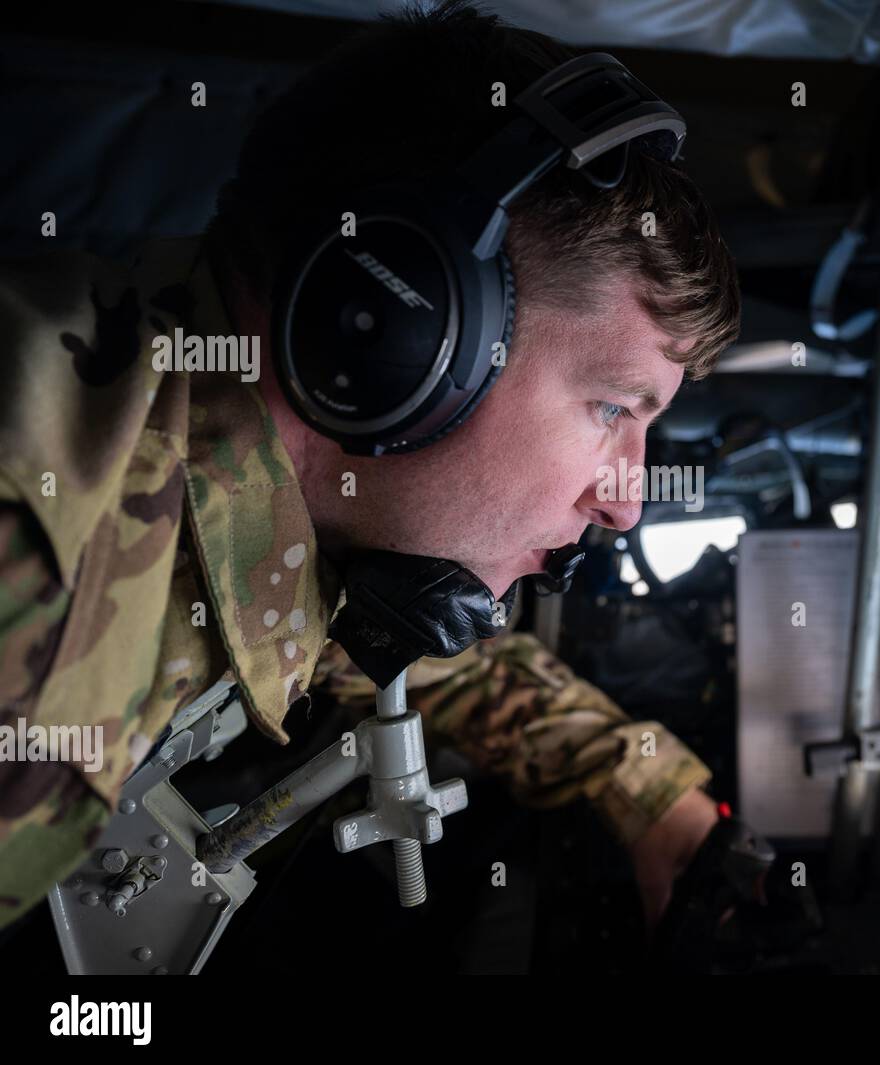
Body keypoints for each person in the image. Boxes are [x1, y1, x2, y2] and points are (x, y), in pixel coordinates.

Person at [0, 0, 740, 934]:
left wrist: (650, 792)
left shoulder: (276, 512)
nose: (625, 505)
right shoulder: (36, 553)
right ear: (399, 327)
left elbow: (419, 666)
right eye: (612, 410)